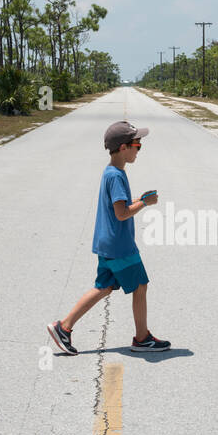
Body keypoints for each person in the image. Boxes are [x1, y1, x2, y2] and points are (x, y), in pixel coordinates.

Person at [48, 120, 171, 355]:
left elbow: (121, 206)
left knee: (103, 287)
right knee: (141, 285)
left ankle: (63, 327)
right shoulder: (116, 176)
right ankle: (142, 338)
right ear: (123, 148)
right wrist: (144, 203)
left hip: (107, 243)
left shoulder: (112, 172)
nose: (139, 149)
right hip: (119, 246)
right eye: (137, 145)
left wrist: (137, 200)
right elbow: (121, 213)